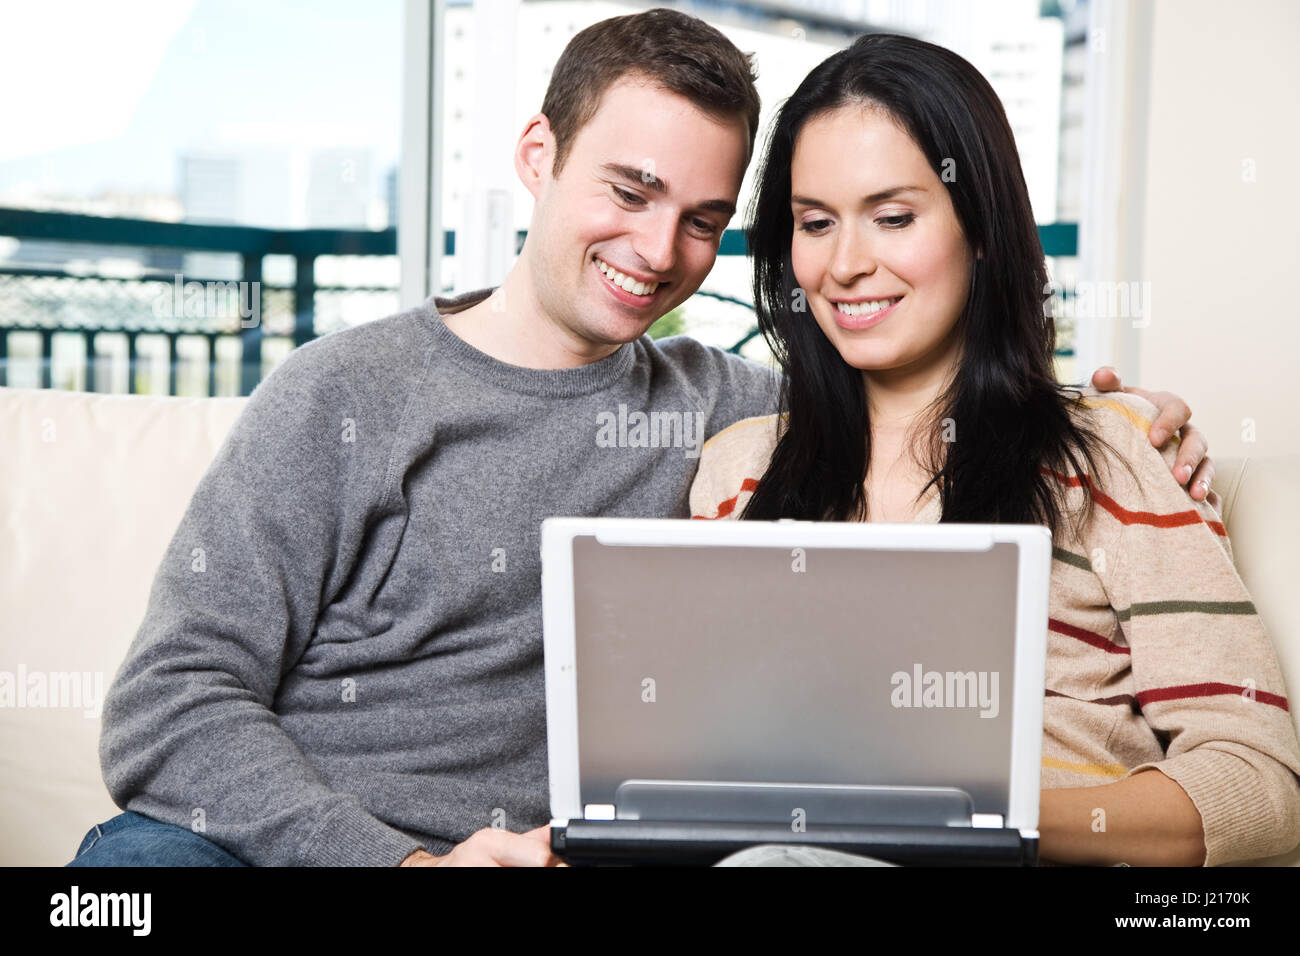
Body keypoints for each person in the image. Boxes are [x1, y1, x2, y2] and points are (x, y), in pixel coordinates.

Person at [70, 10, 1209, 869]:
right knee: (128, 870)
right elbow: (169, 705)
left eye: (704, 219)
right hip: (290, 850)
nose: (658, 249)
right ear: (536, 155)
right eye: (628, 188)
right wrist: (401, 863)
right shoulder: (338, 394)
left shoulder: (744, 422)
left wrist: (1112, 411)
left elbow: (919, 379)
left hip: (549, 859)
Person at [689, 32, 1300, 866]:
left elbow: (1259, 786)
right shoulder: (737, 470)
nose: (846, 264)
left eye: (894, 217)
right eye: (815, 223)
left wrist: (974, 814)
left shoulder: (1112, 458)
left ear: (980, 229)